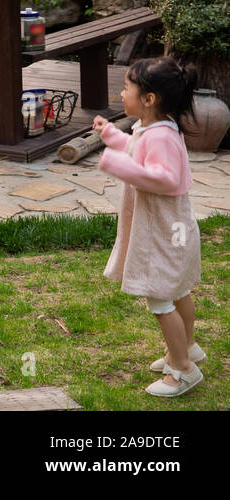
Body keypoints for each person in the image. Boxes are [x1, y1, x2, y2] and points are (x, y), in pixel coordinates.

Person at [93, 56, 203, 397]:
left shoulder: (161, 137)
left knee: (159, 298)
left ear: (149, 99)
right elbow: (137, 149)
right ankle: (186, 347)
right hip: (173, 228)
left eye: (126, 88)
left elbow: (165, 179)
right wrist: (112, 136)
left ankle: (184, 369)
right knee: (178, 288)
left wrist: (118, 165)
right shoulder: (157, 128)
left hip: (162, 231)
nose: (121, 94)